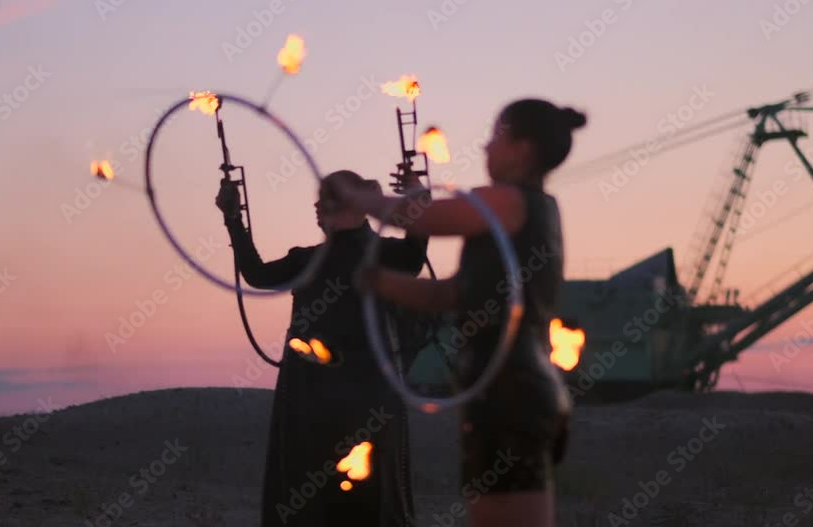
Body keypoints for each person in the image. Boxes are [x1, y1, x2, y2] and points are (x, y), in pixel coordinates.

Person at [328, 99, 584, 527]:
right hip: (506, 393)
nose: (486, 147)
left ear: (522, 149)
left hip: (511, 392)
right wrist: (384, 283)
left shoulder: (507, 201)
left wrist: (359, 197)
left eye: (496, 136)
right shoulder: (527, 211)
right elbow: (453, 294)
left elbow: (424, 217)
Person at [215, 170, 429, 527]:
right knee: (321, 493)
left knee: (356, 492)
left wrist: (416, 203)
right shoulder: (309, 259)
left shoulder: (384, 254)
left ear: (357, 206)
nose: (317, 206)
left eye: (328, 199)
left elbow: (414, 256)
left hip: (354, 396)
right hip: (322, 397)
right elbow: (257, 275)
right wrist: (234, 219)